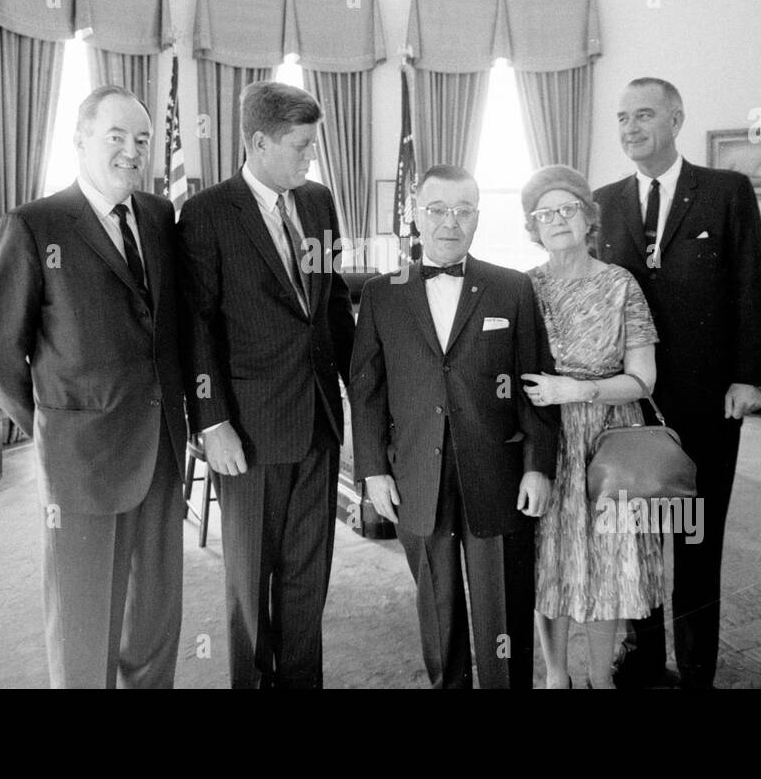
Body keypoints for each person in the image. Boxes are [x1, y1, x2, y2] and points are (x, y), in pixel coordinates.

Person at [0, 85, 187, 689]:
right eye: (115, 136)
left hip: (163, 447)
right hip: (81, 459)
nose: (131, 151)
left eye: (141, 140)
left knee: (155, 615)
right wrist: (51, 421)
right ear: (81, 139)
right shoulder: (35, 225)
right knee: (84, 617)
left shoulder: (159, 216)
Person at [350, 164, 558, 689]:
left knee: (503, 606)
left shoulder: (511, 288)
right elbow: (367, 391)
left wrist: (538, 467)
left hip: (498, 471)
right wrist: (374, 471)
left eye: (464, 210)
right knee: (438, 607)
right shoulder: (381, 293)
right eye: (438, 210)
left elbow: (537, 384)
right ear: (416, 217)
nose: (451, 222)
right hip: (417, 473)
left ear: (478, 218)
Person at [594, 77, 761, 689]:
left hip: (709, 401)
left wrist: (748, 377)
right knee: (637, 538)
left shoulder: (726, 192)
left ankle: (697, 670)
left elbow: (753, 286)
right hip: (629, 404)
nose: (630, 129)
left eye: (643, 115)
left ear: (676, 119)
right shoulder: (604, 201)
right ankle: (642, 660)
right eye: (621, 118)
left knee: (698, 538)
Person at [178, 80, 354, 689]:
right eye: (301, 147)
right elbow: (195, 323)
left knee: (309, 577)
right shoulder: (206, 213)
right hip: (247, 430)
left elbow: (331, 311)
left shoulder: (321, 203)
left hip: (318, 421)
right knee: (251, 581)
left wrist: (363, 394)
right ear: (258, 141)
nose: (310, 159)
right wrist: (210, 420)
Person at [517, 165, 665, 690]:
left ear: (587, 218)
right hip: (546, 442)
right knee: (550, 561)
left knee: (609, 562)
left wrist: (578, 390)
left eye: (567, 209)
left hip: (609, 439)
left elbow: (644, 380)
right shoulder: (521, 288)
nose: (557, 220)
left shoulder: (619, 283)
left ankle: (600, 680)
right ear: (533, 226)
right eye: (544, 213)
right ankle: (557, 678)